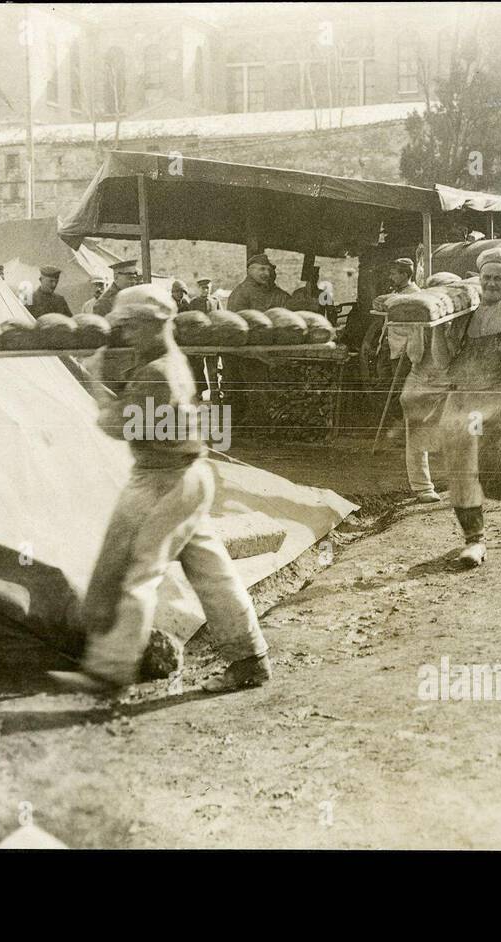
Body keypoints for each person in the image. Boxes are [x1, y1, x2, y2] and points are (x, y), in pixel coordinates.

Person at [49, 285, 272, 694]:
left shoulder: (155, 373)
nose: (125, 335)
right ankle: (249, 659)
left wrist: (95, 382)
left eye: (131, 327)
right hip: (190, 475)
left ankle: (109, 673)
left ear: (153, 324)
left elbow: (119, 427)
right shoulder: (170, 361)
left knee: (134, 573)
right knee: (212, 573)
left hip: (163, 481)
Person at [399, 247, 501, 568]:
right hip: (462, 400)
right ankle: (474, 540)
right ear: (479, 281)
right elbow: (442, 363)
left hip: (500, 399)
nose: (492, 283)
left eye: (499, 278)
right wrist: (436, 328)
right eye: (487, 278)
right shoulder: (463, 319)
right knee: (461, 469)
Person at [378, 258, 441, 503]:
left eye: (395, 274)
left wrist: (409, 350)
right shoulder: (398, 294)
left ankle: (408, 438)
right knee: (396, 394)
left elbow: (417, 331)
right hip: (393, 346)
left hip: (406, 351)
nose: (392, 277)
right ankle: (404, 435)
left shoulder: (415, 297)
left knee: (407, 396)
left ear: (406, 275)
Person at [224, 254, 291, 431]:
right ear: (250, 270)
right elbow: (236, 326)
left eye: (268, 269)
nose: (266, 273)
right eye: (261, 269)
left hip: (265, 347)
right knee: (249, 391)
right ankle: (252, 431)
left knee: (260, 391)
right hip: (245, 351)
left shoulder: (271, 291)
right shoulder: (241, 293)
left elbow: (284, 300)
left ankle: (258, 428)